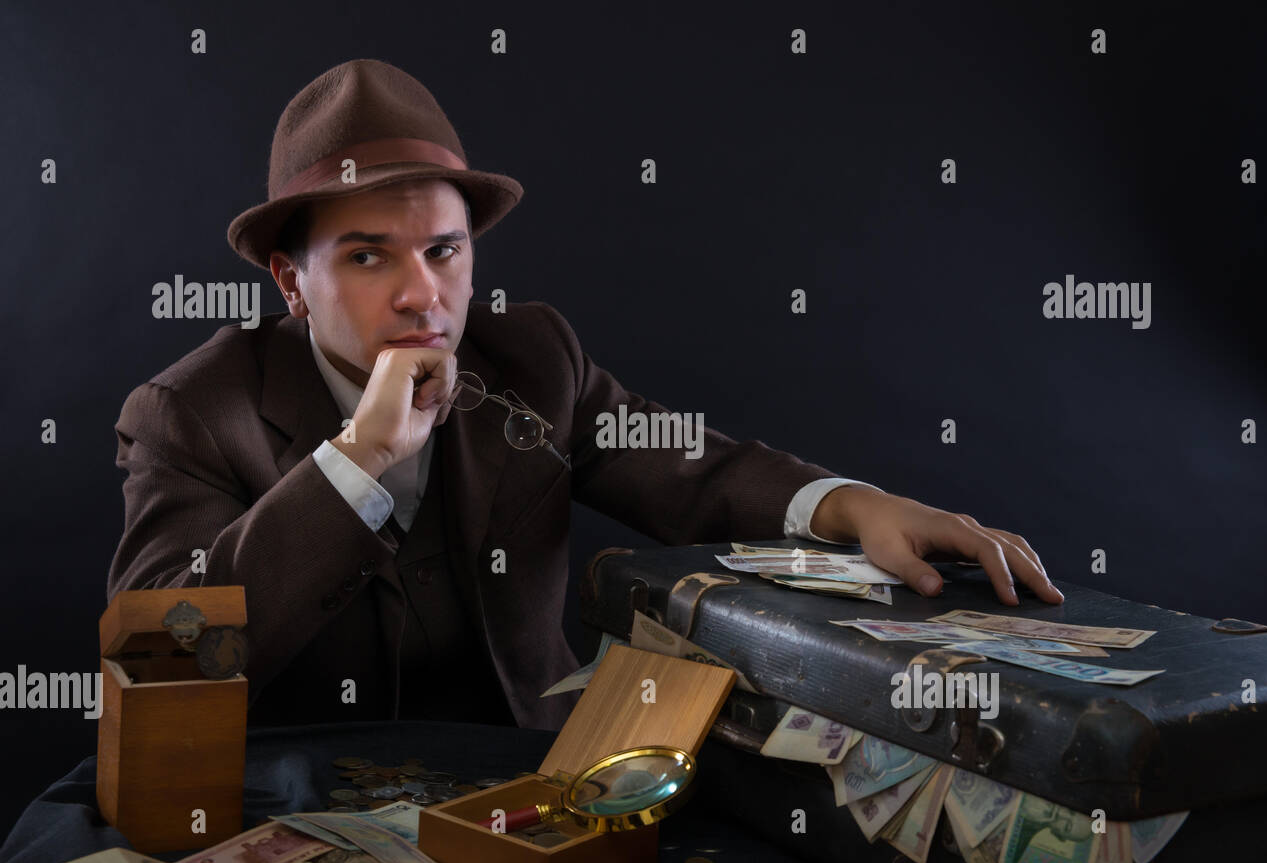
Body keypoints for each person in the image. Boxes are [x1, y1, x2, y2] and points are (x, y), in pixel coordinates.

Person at [108, 59, 1062, 730]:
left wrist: (861, 505)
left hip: (527, 788)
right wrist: (357, 458)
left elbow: (700, 470)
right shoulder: (192, 412)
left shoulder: (530, 358)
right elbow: (164, 660)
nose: (421, 293)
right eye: (367, 257)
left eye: (444, 250)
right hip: (292, 797)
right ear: (288, 280)